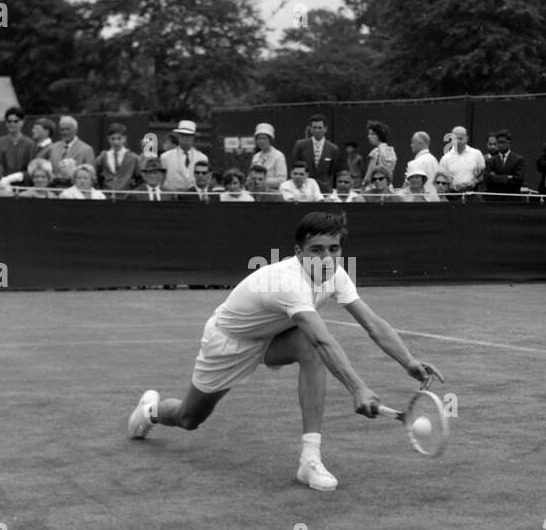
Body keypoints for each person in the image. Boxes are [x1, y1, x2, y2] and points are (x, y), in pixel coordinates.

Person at [127, 211, 443, 492]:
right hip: (229, 342)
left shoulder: (337, 275)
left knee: (309, 347)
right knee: (189, 418)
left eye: (334, 249)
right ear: (298, 252)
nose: (326, 258)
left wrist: (408, 360)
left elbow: (373, 323)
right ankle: (150, 411)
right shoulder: (288, 282)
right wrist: (357, 388)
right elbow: (323, 339)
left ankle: (310, 459)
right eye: (316, 250)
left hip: (274, 337)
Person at [292, 114, 343, 192]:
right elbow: (294, 166)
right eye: (314, 128)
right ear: (310, 129)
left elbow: (332, 171)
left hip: (324, 189)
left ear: (325, 129)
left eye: (320, 128)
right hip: (304, 188)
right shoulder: (300, 145)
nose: (317, 130)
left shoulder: (333, 149)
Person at [160, 120, 207, 192]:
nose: (185, 138)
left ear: (193, 137)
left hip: (194, 198)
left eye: (188, 135)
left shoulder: (202, 158)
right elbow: (160, 181)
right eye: (182, 135)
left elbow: (204, 182)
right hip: (172, 198)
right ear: (178, 136)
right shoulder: (165, 157)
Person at [0, 106, 34, 179]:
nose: (12, 124)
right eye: (9, 121)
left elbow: (32, 168)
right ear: (6, 123)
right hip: (2, 184)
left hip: (24, 185)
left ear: (22, 122)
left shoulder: (30, 144)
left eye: (15, 121)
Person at [97, 123, 141, 193]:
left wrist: (132, 191)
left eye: (119, 138)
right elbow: (97, 178)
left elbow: (140, 178)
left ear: (125, 138)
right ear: (108, 139)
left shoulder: (133, 158)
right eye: (113, 139)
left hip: (126, 197)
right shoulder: (102, 158)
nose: (116, 142)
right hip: (107, 196)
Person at [440, 126, 486, 191]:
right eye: (455, 139)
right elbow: (441, 179)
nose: (458, 141)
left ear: (466, 139)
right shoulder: (445, 158)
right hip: (453, 196)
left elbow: (484, 175)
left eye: (460, 139)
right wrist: (451, 184)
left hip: (473, 194)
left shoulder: (477, 154)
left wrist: (474, 181)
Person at [249, 123, 288, 191]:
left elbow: (282, 180)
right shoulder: (256, 156)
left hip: (272, 193)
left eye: (264, 139)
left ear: (270, 140)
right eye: (259, 138)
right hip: (256, 193)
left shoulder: (278, 156)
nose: (261, 141)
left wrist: (261, 182)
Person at [360, 121, 396, 187]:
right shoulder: (392, 151)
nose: (369, 136)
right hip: (388, 188)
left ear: (380, 135)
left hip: (375, 187)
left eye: (372, 134)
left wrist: (363, 186)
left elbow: (368, 176)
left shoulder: (376, 152)